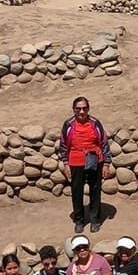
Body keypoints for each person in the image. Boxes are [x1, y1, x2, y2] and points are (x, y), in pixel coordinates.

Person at [58, 96, 113, 234]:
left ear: (88, 109)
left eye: (84, 108)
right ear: (74, 109)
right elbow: (64, 144)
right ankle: (79, 221)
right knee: (77, 192)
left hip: (95, 159)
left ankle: (95, 220)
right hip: (75, 161)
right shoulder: (69, 125)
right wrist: (65, 163)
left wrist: (106, 163)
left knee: (95, 189)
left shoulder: (95, 123)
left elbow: (104, 142)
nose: (82, 111)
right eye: (78, 108)